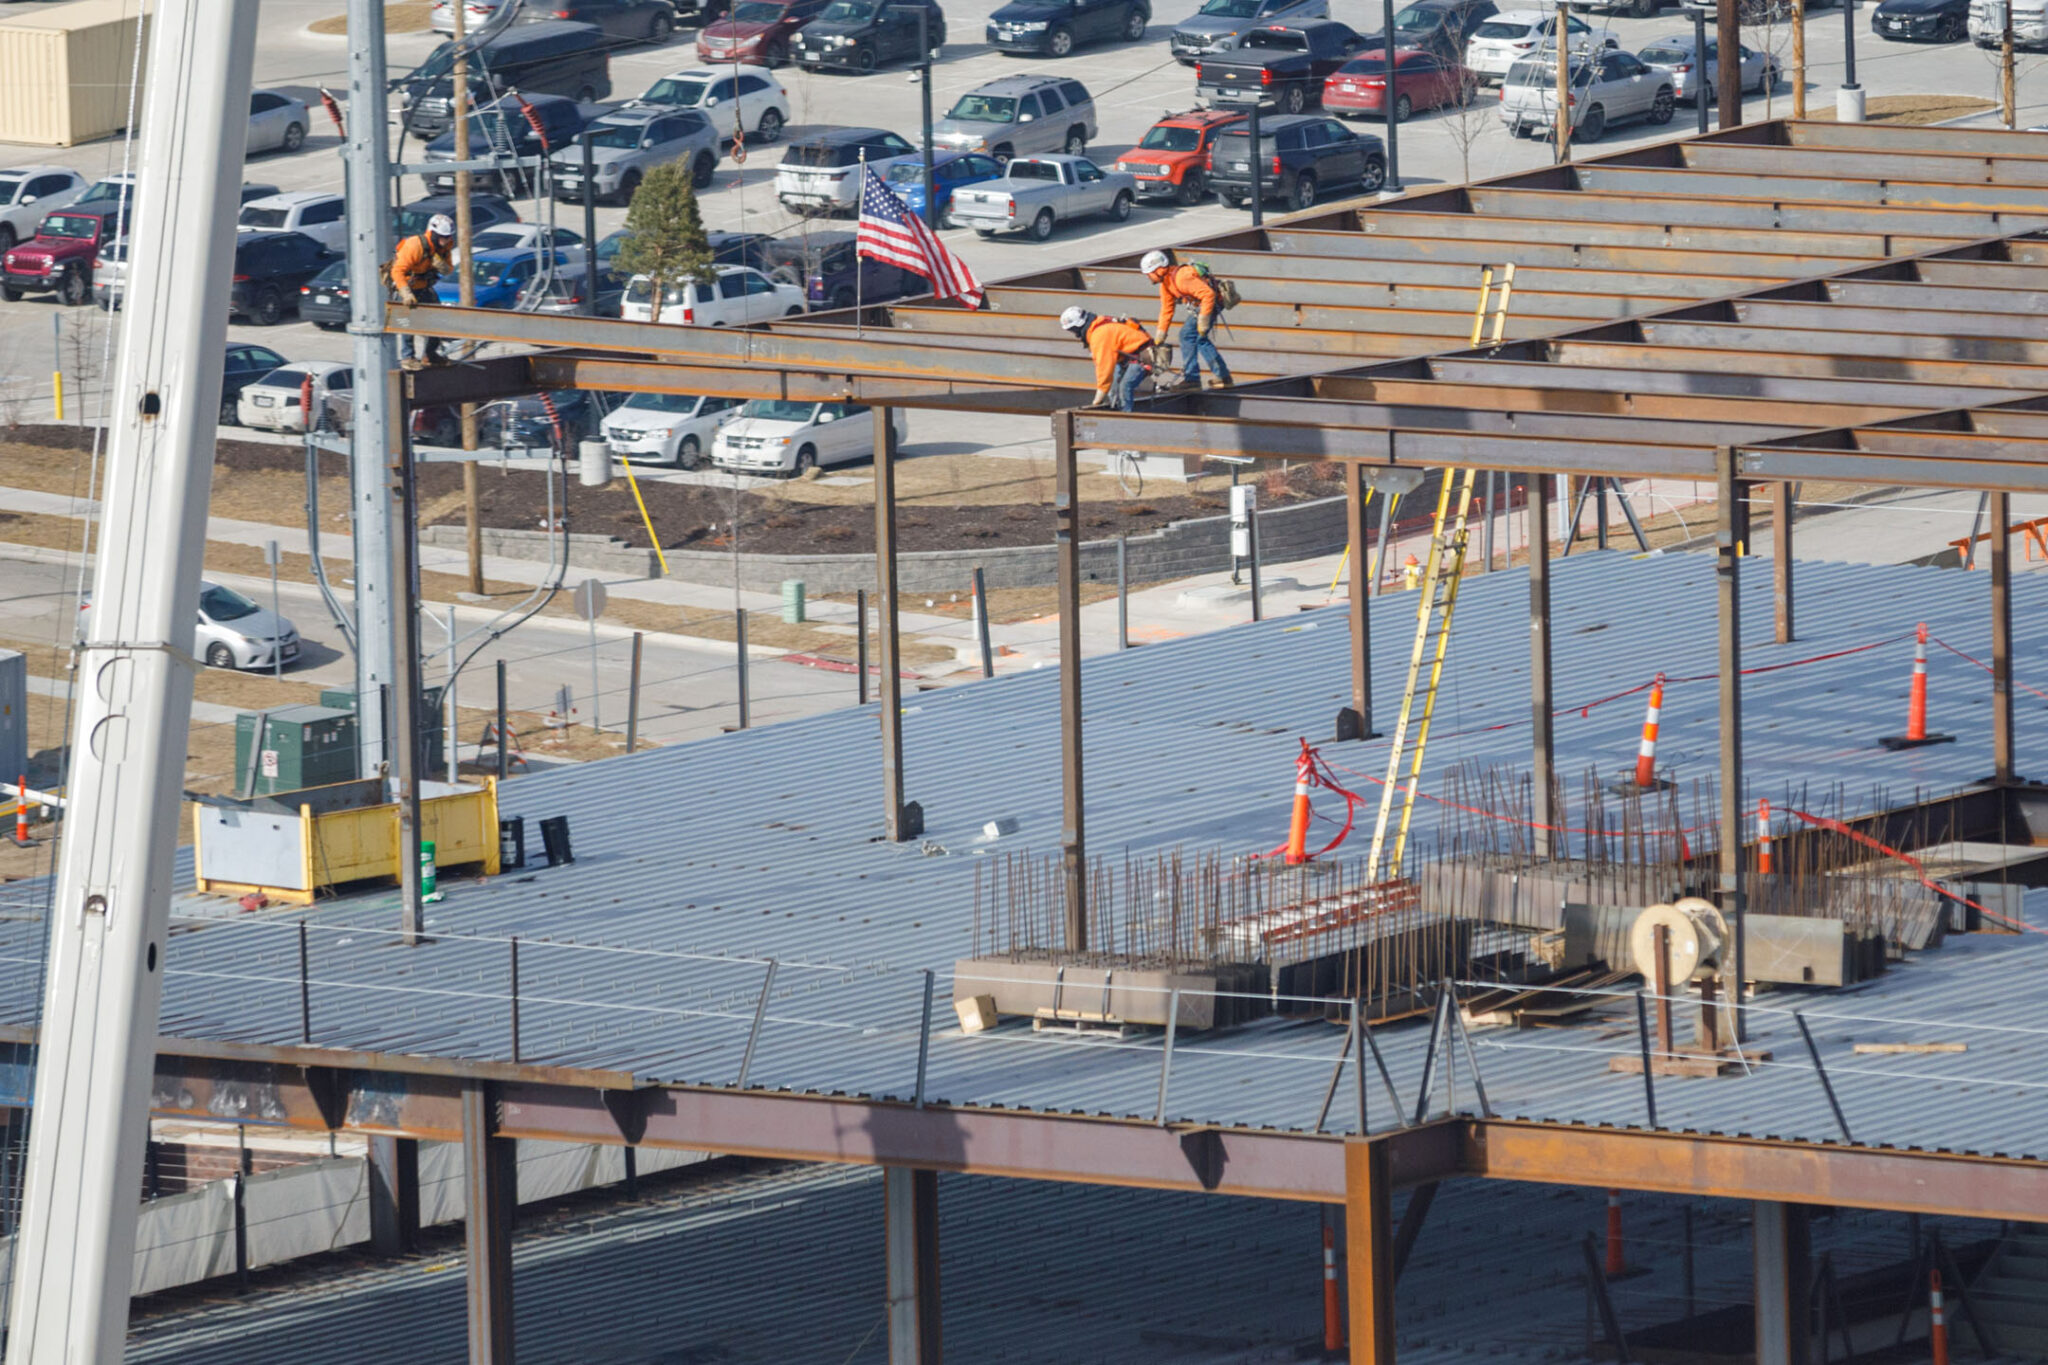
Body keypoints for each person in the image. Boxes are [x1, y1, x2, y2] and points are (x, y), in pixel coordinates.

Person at [1142, 248, 1231, 391]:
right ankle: (1221, 377)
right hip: (1202, 306)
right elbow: (1166, 310)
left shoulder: (1181, 277)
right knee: (1192, 337)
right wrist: (1160, 336)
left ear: (1158, 270)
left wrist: (1203, 320)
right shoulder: (1166, 285)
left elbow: (1208, 295)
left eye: (1148, 274)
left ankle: (1194, 379)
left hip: (1211, 303)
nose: (1148, 278)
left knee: (1192, 337)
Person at [388, 213, 456, 370]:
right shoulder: (415, 245)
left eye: (447, 237)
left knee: (437, 319)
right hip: (407, 286)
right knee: (407, 322)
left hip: (424, 286)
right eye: (441, 237)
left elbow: (449, 268)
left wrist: (442, 266)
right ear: (432, 233)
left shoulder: (445, 246)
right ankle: (408, 357)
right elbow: (397, 271)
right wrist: (405, 292)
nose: (444, 240)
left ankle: (430, 355)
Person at [1060, 306, 1155, 412]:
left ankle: (1125, 418)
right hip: (1128, 357)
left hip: (1144, 356)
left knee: (1125, 386)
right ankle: (1115, 411)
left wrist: (1098, 399)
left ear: (1077, 327)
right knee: (1114, 388)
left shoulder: (1099, 335)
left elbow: (1104, 369)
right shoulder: (1098, 326)